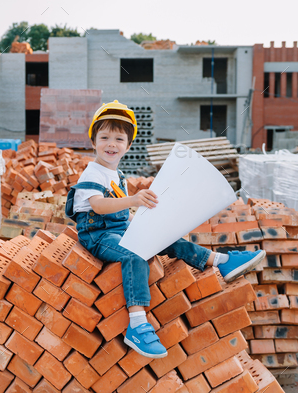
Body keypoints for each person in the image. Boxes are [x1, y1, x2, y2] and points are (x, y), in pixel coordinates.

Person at [65, 100, 265, 359]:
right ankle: (137, 324)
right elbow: (99, 206)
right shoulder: (93, 173)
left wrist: (147, 213)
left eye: (118, 138)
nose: (111, 144)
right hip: (97, 236)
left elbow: (120, 211)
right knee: (134, 255)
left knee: (165, 236)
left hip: (117, 230)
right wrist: (134, 200)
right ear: (93, 142)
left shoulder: (117, 175)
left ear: (128, 145)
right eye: (104, 137)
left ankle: (220, 261)